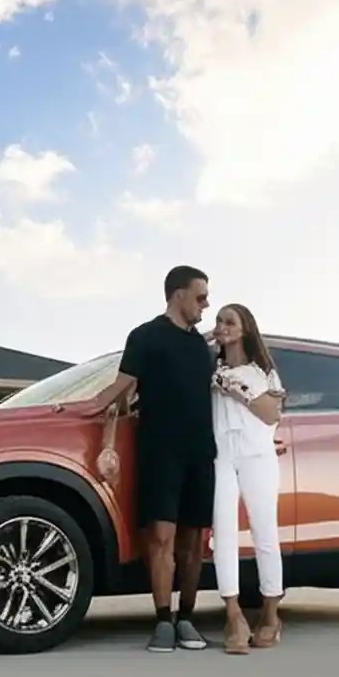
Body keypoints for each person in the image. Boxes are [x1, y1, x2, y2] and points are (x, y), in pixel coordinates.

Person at [117, 264, 216, 653]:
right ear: (178, 294)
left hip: (201, 453)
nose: (205, 304)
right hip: (159, 452)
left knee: (193, 541)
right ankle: (162, 620)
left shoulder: (203, 348)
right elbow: (121, 390)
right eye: (200, 296)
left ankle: (187, 619)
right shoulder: (144, 337)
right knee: (160, 538)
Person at [209, 302, 287, 654]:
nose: (222, 326)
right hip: (222, 457)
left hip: (258, 458)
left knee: (264, 532)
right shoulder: (210, 369)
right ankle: (233, 614)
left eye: (229, 321)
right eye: (218, 321)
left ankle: (271, 614)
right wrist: (210, 350)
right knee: (223, 532)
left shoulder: (263, 373)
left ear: (245, 329)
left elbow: (271, 414)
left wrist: (233, 388)